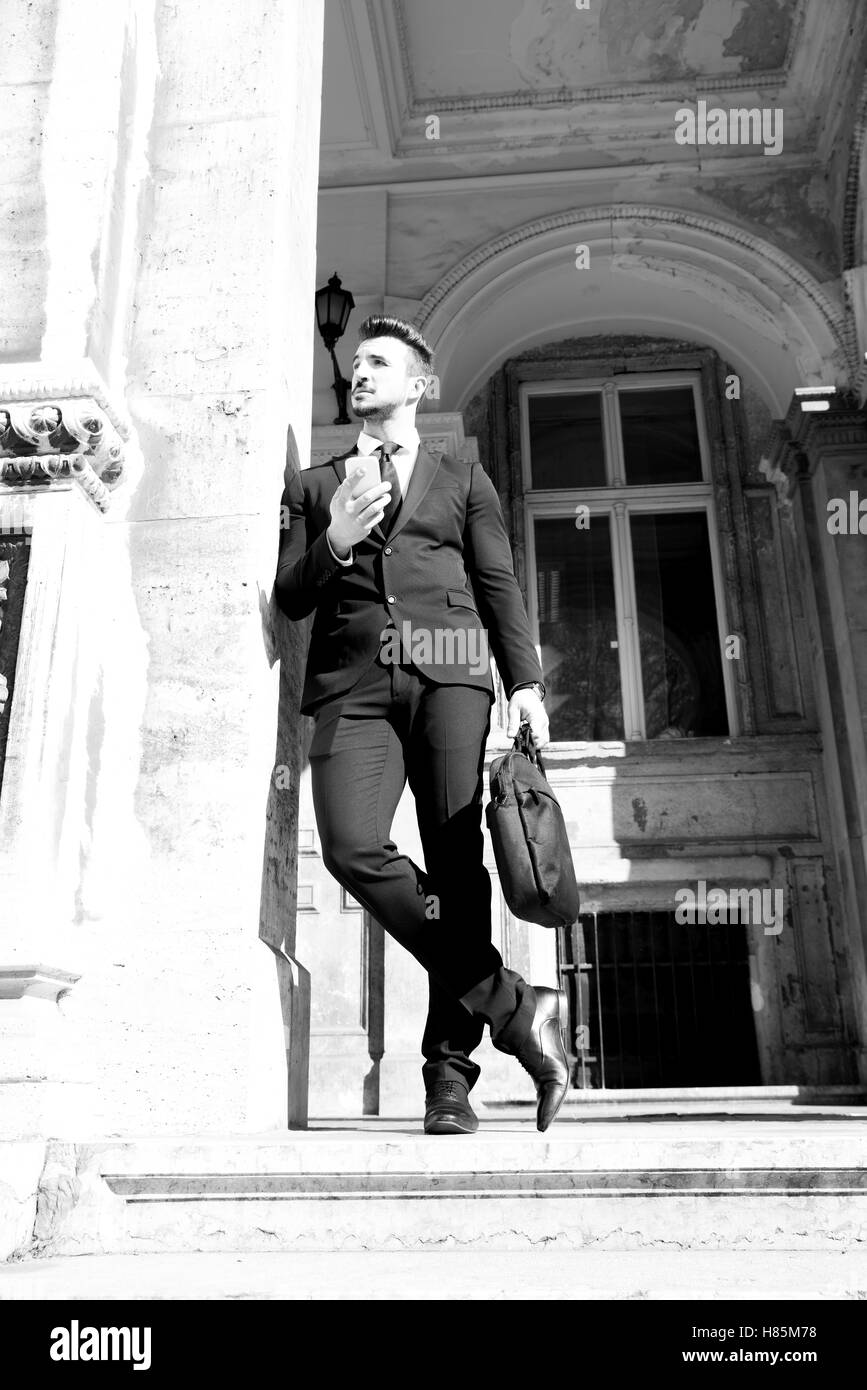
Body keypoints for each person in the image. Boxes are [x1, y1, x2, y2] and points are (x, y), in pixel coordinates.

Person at [275, 315, 569, 1134]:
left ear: (417, 385)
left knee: (454, 863)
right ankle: (515, 1006)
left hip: (449, 674)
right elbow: (291, 594)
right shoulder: (313, 484)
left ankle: (449, 1076)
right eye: (356, 362)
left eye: (379, 363)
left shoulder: (461, 475)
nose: (361, 372)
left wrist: (526, 683)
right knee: (350, 845)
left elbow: (499, 582)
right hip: (351, 686)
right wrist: (332, 539)